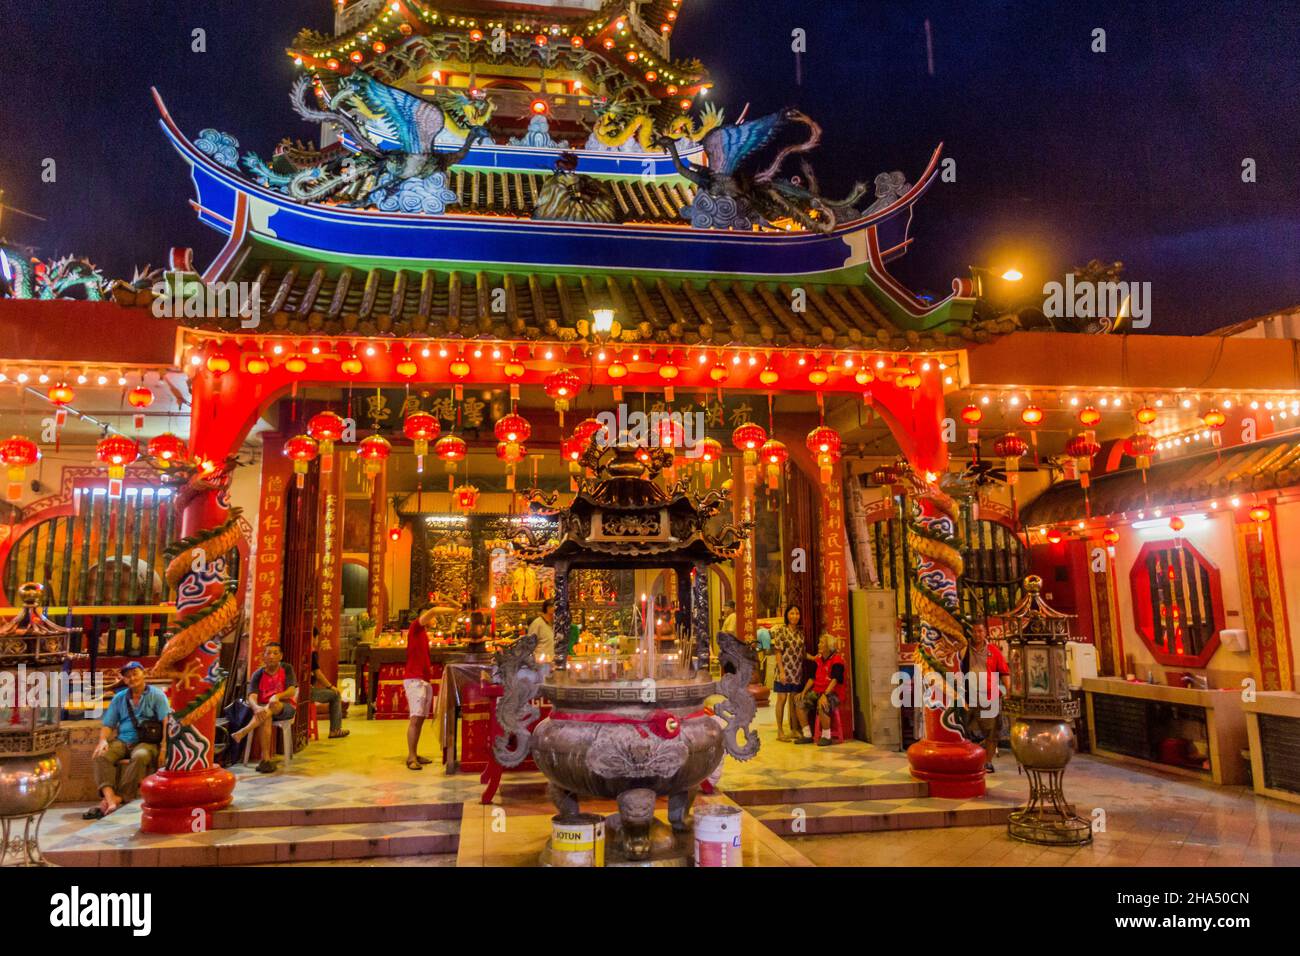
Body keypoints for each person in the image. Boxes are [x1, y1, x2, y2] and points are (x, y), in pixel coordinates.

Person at [86, 661, 171, 818]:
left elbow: (166, 720)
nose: (132, 678)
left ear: (143, 674)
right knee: (101, 756)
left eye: (135, 674)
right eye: (128, 676)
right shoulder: (119, 698)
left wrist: (164, 747)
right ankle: (111, 799)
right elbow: (108, 724)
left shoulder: (157, 695)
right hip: (124, 740)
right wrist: (103, 741)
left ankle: (121, 797)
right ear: (124, 680)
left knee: (140, 756)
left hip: (147, 742)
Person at [232, 643, 298, 773]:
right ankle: (266, 760)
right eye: (268, 653)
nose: (272, 656)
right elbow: (251, 696)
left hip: (285, 707)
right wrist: (256, 707)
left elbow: (291, 691)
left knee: (272, 705)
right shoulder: (258, 674)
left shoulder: (287, 668)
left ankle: (244, 731)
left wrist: (277, 696)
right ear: (263, 656)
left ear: (281, 656)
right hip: (264, 710)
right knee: (265, 716)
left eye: (275, 653)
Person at [964, 623, 1010, 772]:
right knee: (963, 728)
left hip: (989, 695)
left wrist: (1008, 690)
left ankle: (987, 762)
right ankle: (966, 760)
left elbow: (1004, 672)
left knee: (992, 731)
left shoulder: (993, 651)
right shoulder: (964, 650)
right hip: (967, 695)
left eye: (980, 631)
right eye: (974, 631)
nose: (977, 634)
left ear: (985, 633)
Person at [795, 634, 847, 746]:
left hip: (833, 692)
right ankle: (807, 734)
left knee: (822, 703)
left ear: (828, 646)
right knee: (799, 702)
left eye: (821, 643)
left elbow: (835, 680)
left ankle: (826, 736)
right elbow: (812, 678)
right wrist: (803, 692)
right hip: (817, 691)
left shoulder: (837, 659)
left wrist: (825, 694)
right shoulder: (818, 659)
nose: (819, 644)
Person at [404, 605, 438, 770]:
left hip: (424, 679)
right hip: (414, 679)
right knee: (415, 718)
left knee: (421, 718)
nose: (435, 620)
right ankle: (411, 757)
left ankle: (415, 753)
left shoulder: (423, 634)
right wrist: (446, 609)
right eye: (433, 617)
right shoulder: (415, 627)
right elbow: (433, 611)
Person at [770, 603, 809, 742]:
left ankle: (793, 729)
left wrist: (814, 657)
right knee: (782, 700)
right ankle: (780, 731)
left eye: (797, 613)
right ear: (787, 615)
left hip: (796, 672)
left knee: (794, 700)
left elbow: (802, 653)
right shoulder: (781, 631)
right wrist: (781, 672)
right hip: (784, 671)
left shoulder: (800, 633)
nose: (795, 616)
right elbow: (778, 652)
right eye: (792, 613)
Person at [308, 628, 348, 739]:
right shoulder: (310, 653)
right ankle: (335, 730)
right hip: (307, 692)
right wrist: (330, 686)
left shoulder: (301, 650)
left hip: (299, 690)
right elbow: (318, 674)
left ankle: (336, 729)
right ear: (313, 637)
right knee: (335, 695)